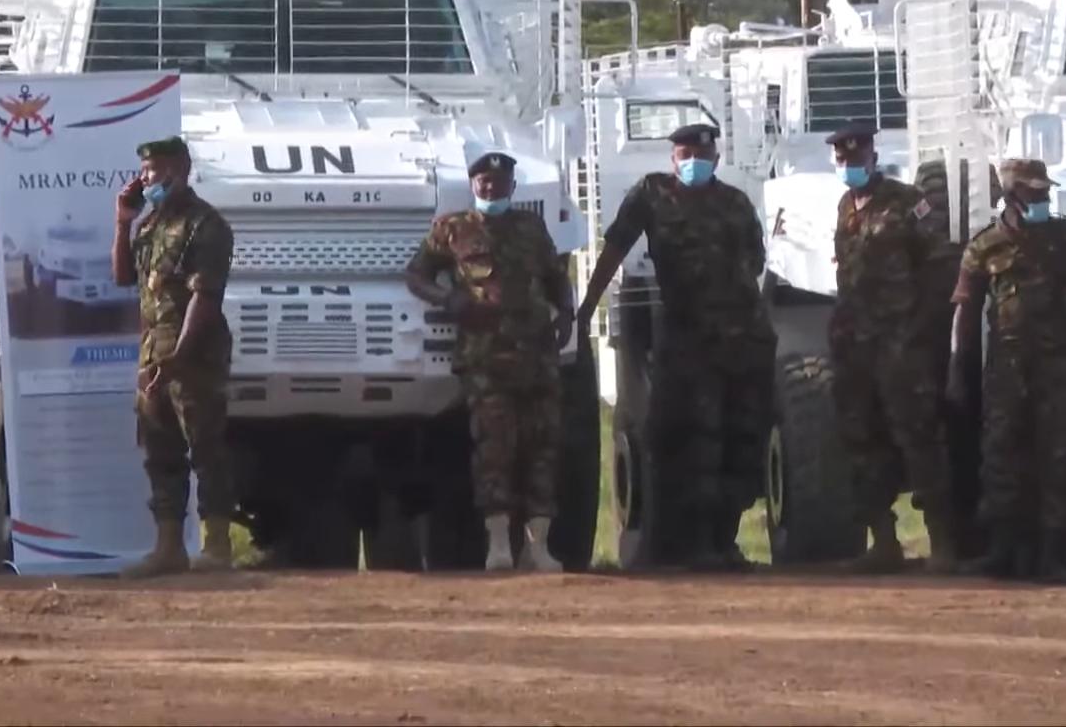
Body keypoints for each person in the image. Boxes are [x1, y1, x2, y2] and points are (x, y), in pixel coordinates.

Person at [575, 123, 776, 570]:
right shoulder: (653, 194)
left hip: (743, 339)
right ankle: (690, 544)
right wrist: (589, 302)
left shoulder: (735, 203)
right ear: (672, 159)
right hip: (689, 342)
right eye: (683, 154)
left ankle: (726, 541)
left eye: (700, 155)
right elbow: (616, 246)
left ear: (716, 159)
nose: (692, 163)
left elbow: (757, 260)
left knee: (740, 439)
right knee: (690, 440)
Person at [948, 158, 1066, 582]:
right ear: (1011, 196)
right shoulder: (985, 245)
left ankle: (1056, 553)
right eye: (1034, 194)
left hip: (1057, 369)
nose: (1043, 200)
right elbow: (966, 307)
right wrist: (959, 366)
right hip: (1006, 370)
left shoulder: (1062, 236)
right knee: (1002, 454)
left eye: (1044, 194)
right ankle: (1003, 549)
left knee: (1062, 455)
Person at [407, 151, 574, 572]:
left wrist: (568, 315)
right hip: (486, 359)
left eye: (499, 182)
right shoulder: (452, 229)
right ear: (473, 185)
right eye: (483, 181)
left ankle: (537, 547)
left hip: (537, 356)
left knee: (543, 447)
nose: (491, 188)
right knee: (494, 450)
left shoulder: (531, 227)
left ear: (511, 187)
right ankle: (498, 544)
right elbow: (416, 275)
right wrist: (450, 299)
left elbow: (556, 277)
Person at [826, 122, 960, 573]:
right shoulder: (847, 205)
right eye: (843, 160)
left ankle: (942, 544)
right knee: (864, 440)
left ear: (872, 156)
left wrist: (920, 328)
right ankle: (883, 542)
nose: (850, 165)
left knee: (919, 437)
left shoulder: (906, 203)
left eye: (857, 157)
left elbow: (941, 265)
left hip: (901, 345)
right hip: (856, 346)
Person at [112, 136, 236, 578]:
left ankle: (217, 546)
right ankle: (168, 548)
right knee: (159, 451)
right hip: (153, 353)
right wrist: (122, 221)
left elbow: (206, 297)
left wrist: (180, 357)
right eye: (144, 171)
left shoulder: (206, 225)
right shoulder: (148, 225)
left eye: (155, 169)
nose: (147, 178)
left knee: (206, 448)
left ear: (179, 169)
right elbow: (125, 277)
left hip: (193, 353)